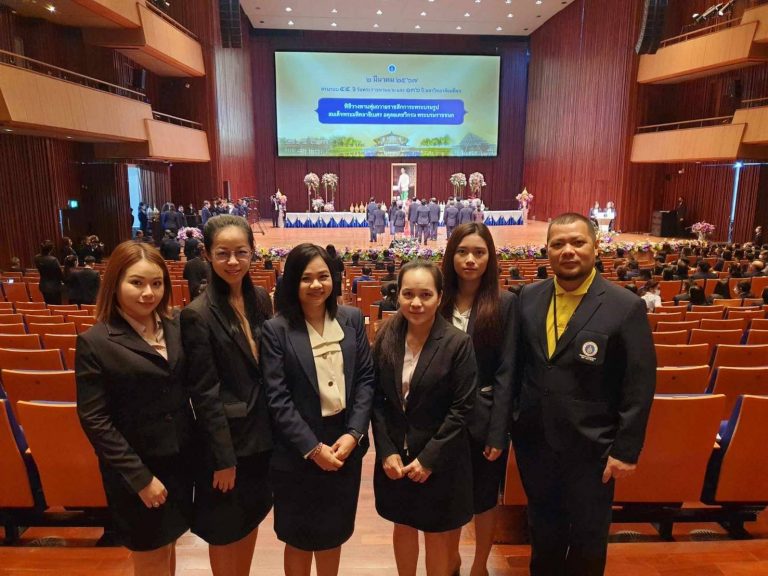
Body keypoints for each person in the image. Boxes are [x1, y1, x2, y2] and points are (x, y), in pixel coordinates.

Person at [511, 212, 655, 576]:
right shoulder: (528, 297)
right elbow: (518, 366)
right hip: (536, 444)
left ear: (596, 246)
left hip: (593, 449)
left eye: (577, 242)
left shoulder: (625, 306)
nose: (568, 251)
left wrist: (625, 450)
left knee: (588, 539)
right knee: (543, 532)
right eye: (558, 244)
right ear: (547, 250)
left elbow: (639, 384)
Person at [76, 241, 194, 575]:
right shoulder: (96, 342)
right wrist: (140, 479)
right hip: (137, 471)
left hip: (179, 463)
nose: (148, 293)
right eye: (137, 283)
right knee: (151, 556)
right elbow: (95, 420)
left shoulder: (175, 325)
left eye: (157, 283)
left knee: (169, 546)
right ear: (115, 283)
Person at [261, 243, 375, 576]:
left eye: (323, 276)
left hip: (343, 443)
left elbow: (365, 379)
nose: (316, 285)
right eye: (306, 278)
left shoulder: (351, 319)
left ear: (333, 278)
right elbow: (277, 397)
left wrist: (354, 433)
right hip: (297, 448)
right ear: (292, 282)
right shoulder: (276, 329)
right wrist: (312, 449)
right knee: (297, 537)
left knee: (332, 534)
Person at [180, 215, 274, 576]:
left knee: (250, 518)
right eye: (223, 253)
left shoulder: (260, 298)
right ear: (207, 254)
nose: (233, 261)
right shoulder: (197, 314)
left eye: (241, 252)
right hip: (227, 445)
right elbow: (204, 393)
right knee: (223, 529)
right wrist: (223, 459)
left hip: (261, 436)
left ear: (252, 253)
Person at [371, 259, 477, 576]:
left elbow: (462, 408)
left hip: (441, 461)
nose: (416, 303)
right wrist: (386, 451)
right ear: (398, 295)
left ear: (440, 297)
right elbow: (376, 400)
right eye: (408, 294)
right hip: (397, 461)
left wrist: (429, 459)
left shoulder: (458, 343)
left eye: (425, 295)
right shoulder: (386, 337)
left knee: (437, 535)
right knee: (403, 526)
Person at [440, 223, 518, 576]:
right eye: (462, 252)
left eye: (479, 252)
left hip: (484, 419)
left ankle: (479, 565)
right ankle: (452, 560)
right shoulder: (437, 298)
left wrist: (498, 432)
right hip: (441, 420)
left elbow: (506, 371)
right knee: (448, 497)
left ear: (490, 258)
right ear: (451, 255)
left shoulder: (504, 303)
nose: (470, 260)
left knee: (484, 499)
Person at [35, 240, 64, 305]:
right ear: (51, 249)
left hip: (43, 285)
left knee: (47, 305)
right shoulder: (53, 260)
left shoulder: (36, 258)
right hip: (54, 287)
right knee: (56, 306)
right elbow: (59, 274)